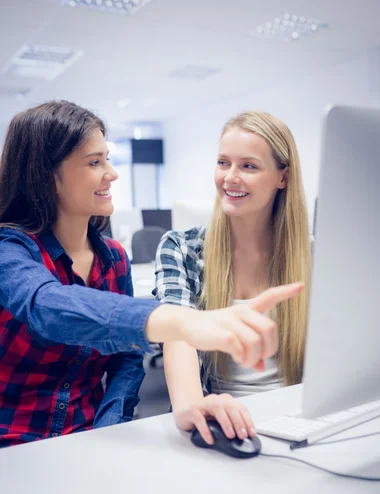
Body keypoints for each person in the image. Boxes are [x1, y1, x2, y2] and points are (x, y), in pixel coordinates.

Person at [0, 101, 303, 448]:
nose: (112, 173)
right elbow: (47, 306)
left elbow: (127, 361)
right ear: (46, 174)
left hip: (90, 438)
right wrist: (182, 322)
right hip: (14, 443)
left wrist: (106, 430)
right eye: (95, 162)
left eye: (108, 159)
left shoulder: (112, 258)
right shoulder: (9, 250)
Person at [154, 111, 311, 444]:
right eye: (223, 163)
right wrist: (193, 405)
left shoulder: (313, 254)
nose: (230, 177)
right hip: (221, 415)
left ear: (283, 177)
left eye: (249, 166)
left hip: (298, 416)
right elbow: (177, 332)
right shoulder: (181, 248)